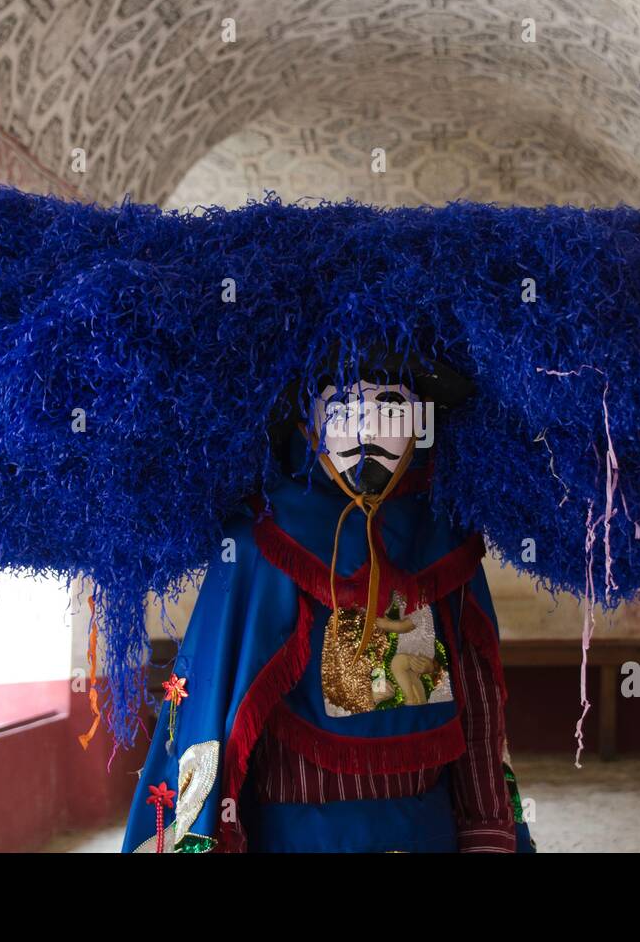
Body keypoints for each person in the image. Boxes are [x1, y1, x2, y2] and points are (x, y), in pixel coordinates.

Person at [122, 351, 535, 853]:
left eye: (389, 407)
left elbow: (481, 709)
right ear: (308, 422)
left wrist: (488, 835)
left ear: (422, 421)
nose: (366, 429)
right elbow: (213, 711)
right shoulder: (256, 544)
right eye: (340, 408)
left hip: (428, 833)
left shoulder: (448, 543)